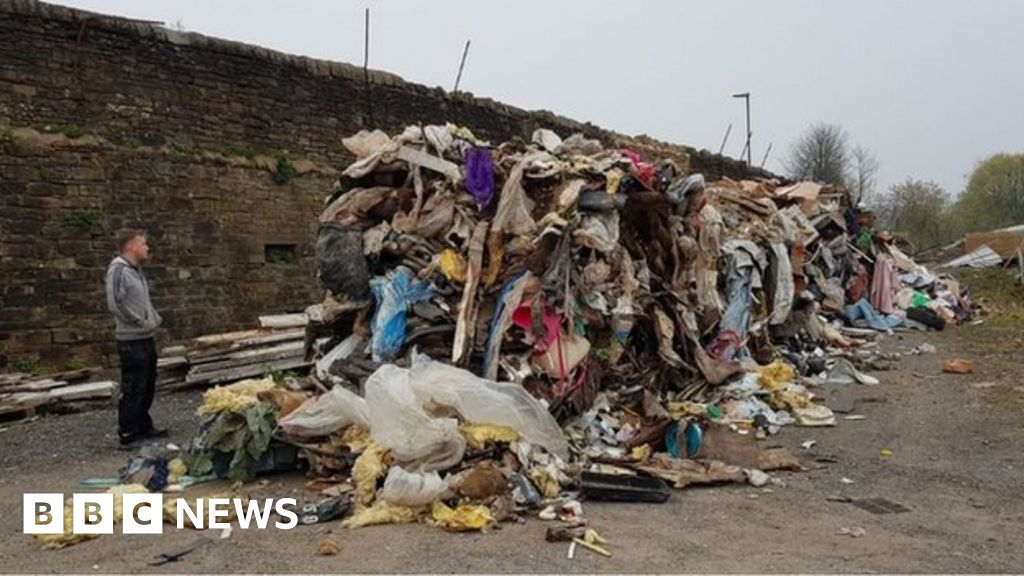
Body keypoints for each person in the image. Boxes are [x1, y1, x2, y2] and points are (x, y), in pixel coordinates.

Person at [105, 229, 167, 446]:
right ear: (131, 246)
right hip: (131, 340)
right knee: (133, 386)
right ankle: (128, 432)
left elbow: (142, 301)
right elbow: (116, 304)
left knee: (148, 384)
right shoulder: (118, 270)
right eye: (143, 243)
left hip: (146, 337)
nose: (147, 247)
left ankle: (143, 425)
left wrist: (154, 318)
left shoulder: (137, 271)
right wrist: (139, 322)